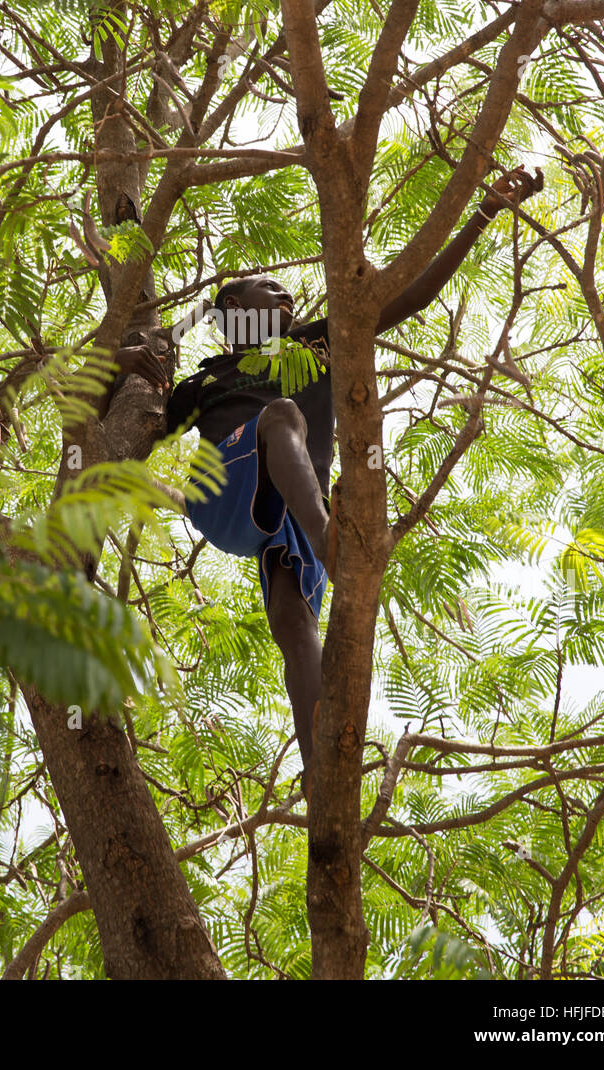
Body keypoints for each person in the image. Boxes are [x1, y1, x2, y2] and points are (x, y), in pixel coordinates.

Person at [108, 166, 543, 795]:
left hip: (284, 512)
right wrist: (120, 358)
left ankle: (323, 780)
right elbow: (112, 442)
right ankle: (333, 543)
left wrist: (485, 209)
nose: (287, 301)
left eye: (289, 297)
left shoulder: (317, 345)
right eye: (271, 290)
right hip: (226, 498)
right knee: (280, 416)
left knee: (293, 620)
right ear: (231, 310)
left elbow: (411, 296)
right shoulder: (201, 383)